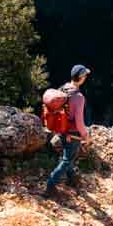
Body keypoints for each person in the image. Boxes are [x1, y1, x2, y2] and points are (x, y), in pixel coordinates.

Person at [44, 64, 91, 198]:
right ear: (81, 78)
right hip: (73, 133)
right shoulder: (79, 97)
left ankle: (71, 179)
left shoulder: (63, 88)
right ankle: (50, 184)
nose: (86, 78)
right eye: (85, 75)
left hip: (61, 128)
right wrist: (86, 136)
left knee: (69, 156)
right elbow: (79, 122)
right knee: (67, 160)